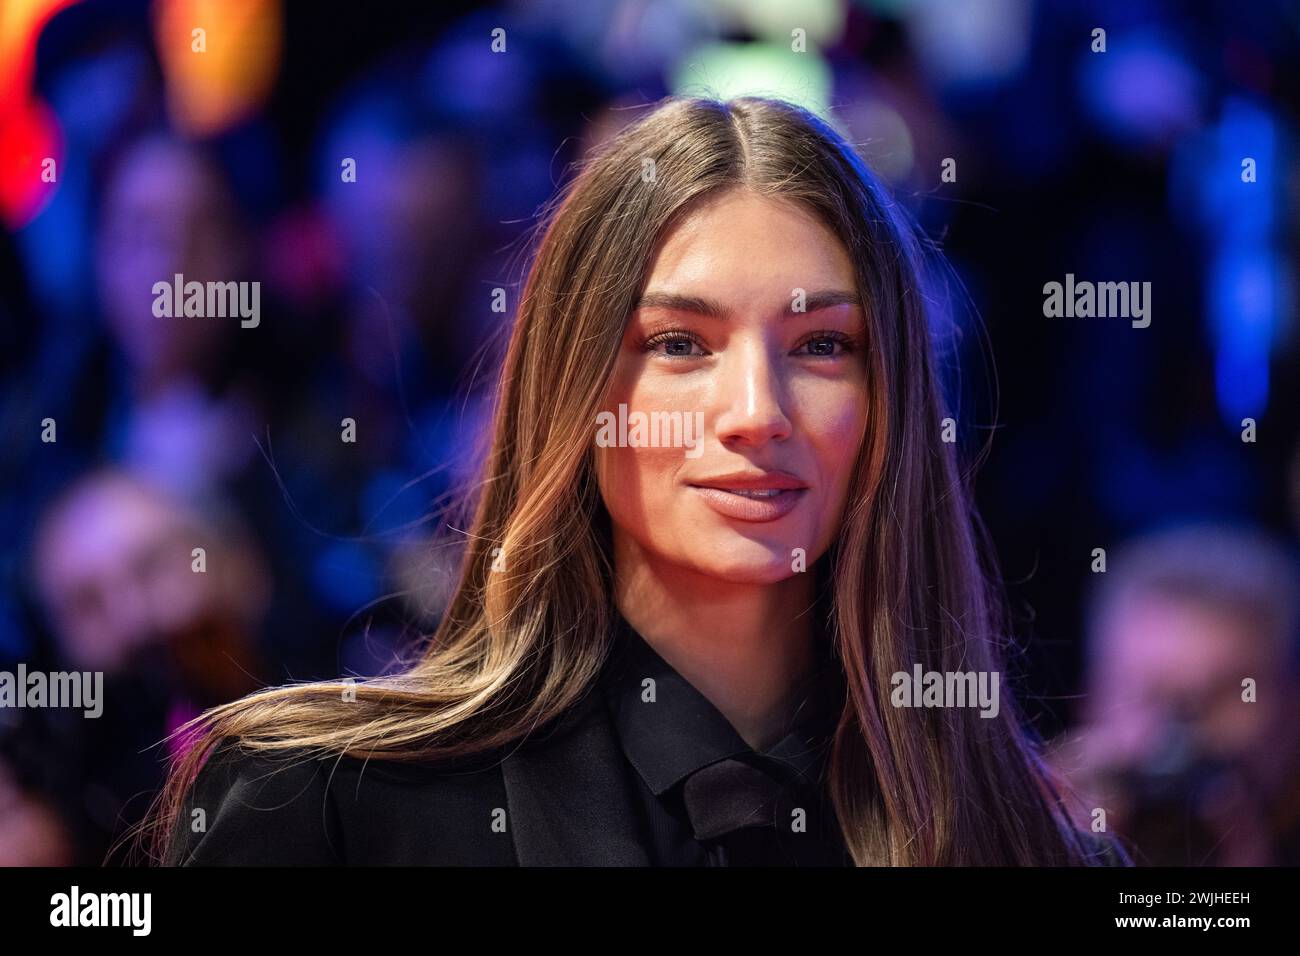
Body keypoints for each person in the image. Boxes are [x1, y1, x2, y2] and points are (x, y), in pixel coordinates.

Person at [142, 95, 1128, 866]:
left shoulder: (1036, 849)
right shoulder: (319, 805)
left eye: (823, 343)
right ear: (574, 386)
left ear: (891, 403)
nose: (757, 407)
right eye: (680, 341)